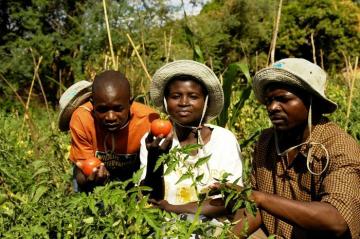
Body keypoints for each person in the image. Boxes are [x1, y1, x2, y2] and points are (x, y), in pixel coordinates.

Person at [226, 58, 360, 238]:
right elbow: (254, 208)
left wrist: (260, 198)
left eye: (283, 99)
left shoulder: (339, 147)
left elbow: (337, 220)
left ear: (312, 102)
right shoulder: (266, 141)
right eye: (269, 100)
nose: (272, 107)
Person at [140, 60, 243, 218]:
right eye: (175, 96)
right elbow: (149, 199)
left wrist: (173, 208)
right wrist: (155, 159)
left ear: (206, 102)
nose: (183, 103)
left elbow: (231, 200)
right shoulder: (154, 140)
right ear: (166, 102)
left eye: (193, 96)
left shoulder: (224, 140)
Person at [67, 70, 159, 192]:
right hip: (95, 180)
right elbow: (81, 175)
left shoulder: (148, 120)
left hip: (133, 176)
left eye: (118, 109)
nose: (110, 117)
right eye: (102, 110)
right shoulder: (82, 119)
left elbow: (154, 169)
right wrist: (91, 180)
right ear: (93, 105)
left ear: (130, 103)